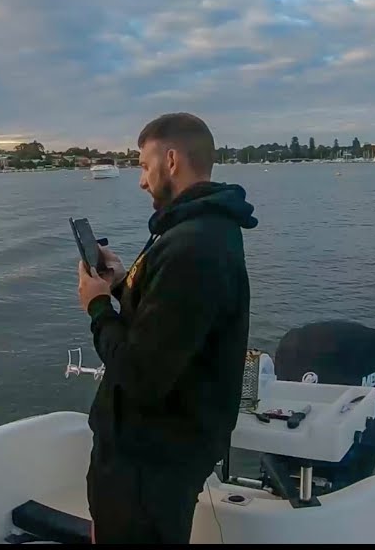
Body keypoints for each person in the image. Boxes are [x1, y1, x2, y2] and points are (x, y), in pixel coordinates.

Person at [76, 113, 258, 543]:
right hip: (152, 457)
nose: (140, 180)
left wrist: (98, 306)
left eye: (143, 165)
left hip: (149, 464)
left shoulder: (193, 246)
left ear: (171, 160)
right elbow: (172, 325)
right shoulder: (199, 231)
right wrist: (123, 285)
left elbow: (141, 373)